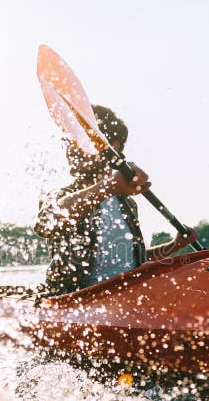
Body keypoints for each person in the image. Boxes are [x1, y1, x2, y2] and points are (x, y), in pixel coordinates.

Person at [34, 105, 198, 295]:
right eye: (68, 140)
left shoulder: (127, 203)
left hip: (125, 302)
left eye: (78, 140)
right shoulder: (62, 196)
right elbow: (44, 223)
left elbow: (133, 258)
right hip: (73, 303)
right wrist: (109, 187)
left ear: (113, 146)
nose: (70, 148)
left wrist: (173, 246)